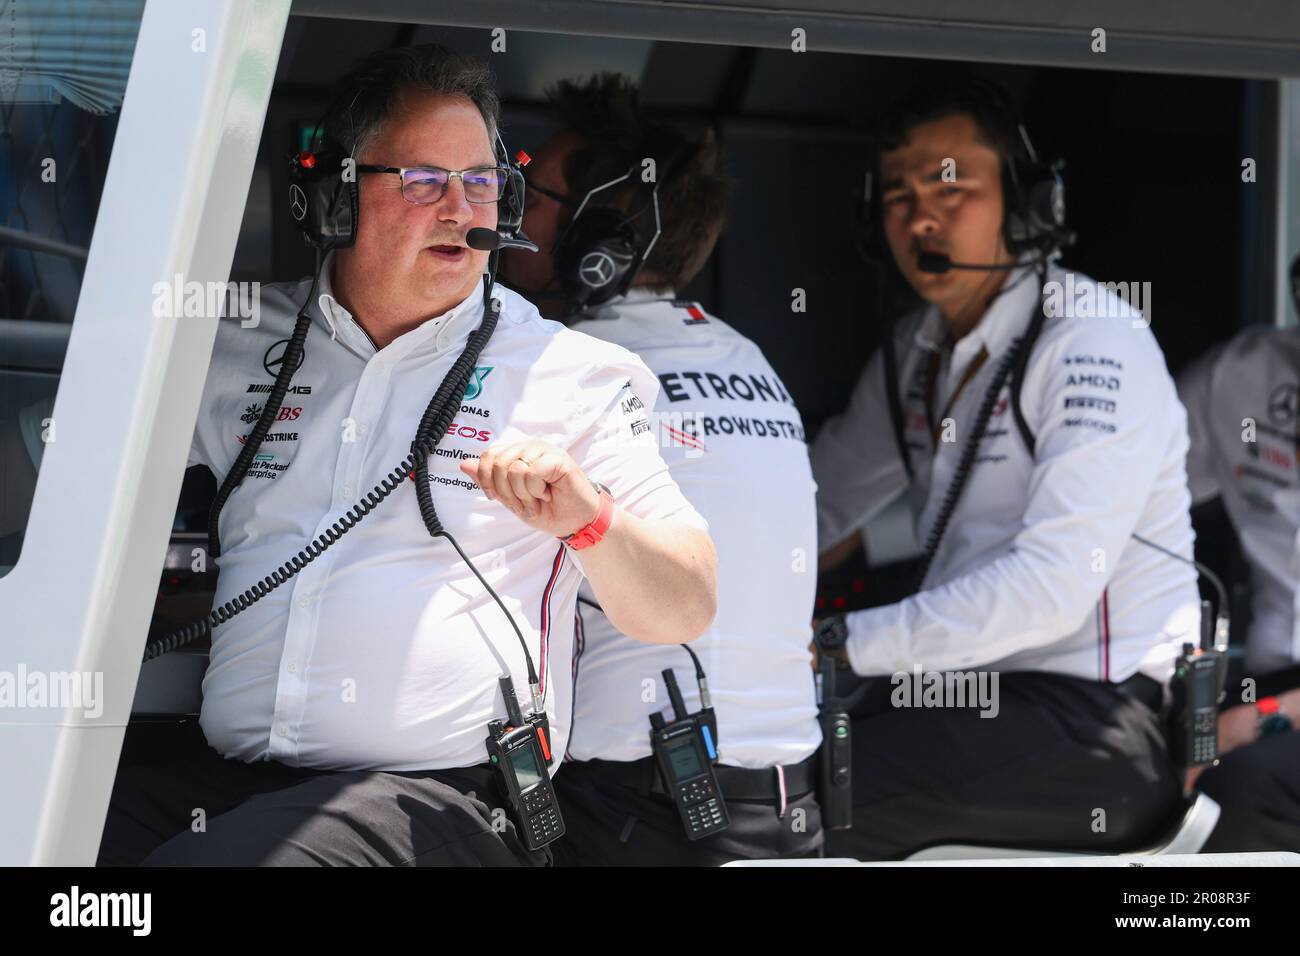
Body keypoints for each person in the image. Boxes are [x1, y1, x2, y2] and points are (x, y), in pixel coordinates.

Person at [96, 44, 716, 867]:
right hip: (233, 783)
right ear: (337, 199)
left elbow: (687, 602)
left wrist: (589, 520)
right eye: (424, 181)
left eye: (483, 182)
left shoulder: (578, 373)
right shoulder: (232, 346)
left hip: (444, 805)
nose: (463, 210)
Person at [809, 80, 1197, 860]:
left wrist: (840, 641)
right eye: (898, 195)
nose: (921, 216)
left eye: (951, 187)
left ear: (1026, 203)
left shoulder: (1092, 339)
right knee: (764, 756)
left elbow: (1053, 589)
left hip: (1096, 720)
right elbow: (812, 508)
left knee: (802, 794)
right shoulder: (917, 350)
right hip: (962, 699)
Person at [500, 73, 822, 864]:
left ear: (595, 238)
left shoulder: (564, 369)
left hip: (638, 814)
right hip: (788, 806)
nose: (507, 214)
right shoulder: (752, 360)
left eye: (530, 192)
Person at [1176, 261, 1300, 852]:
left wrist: (1245, 725)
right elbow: (1127, 494)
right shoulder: (1241, 377)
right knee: (1134, 756)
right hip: (1273, 670)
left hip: (1277, 711)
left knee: (1246, 787)